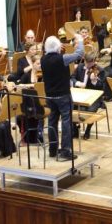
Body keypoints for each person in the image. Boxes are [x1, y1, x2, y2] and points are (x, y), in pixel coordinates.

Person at [41, 33, 84, 161]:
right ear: (57, 47)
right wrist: (80, 40)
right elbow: (79, 54)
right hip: (63, 96)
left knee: (52, 122)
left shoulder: (43, 59)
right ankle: (65, 151)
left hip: (50, 96)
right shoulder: (62, 59)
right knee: (66, 123)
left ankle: (52, 149)